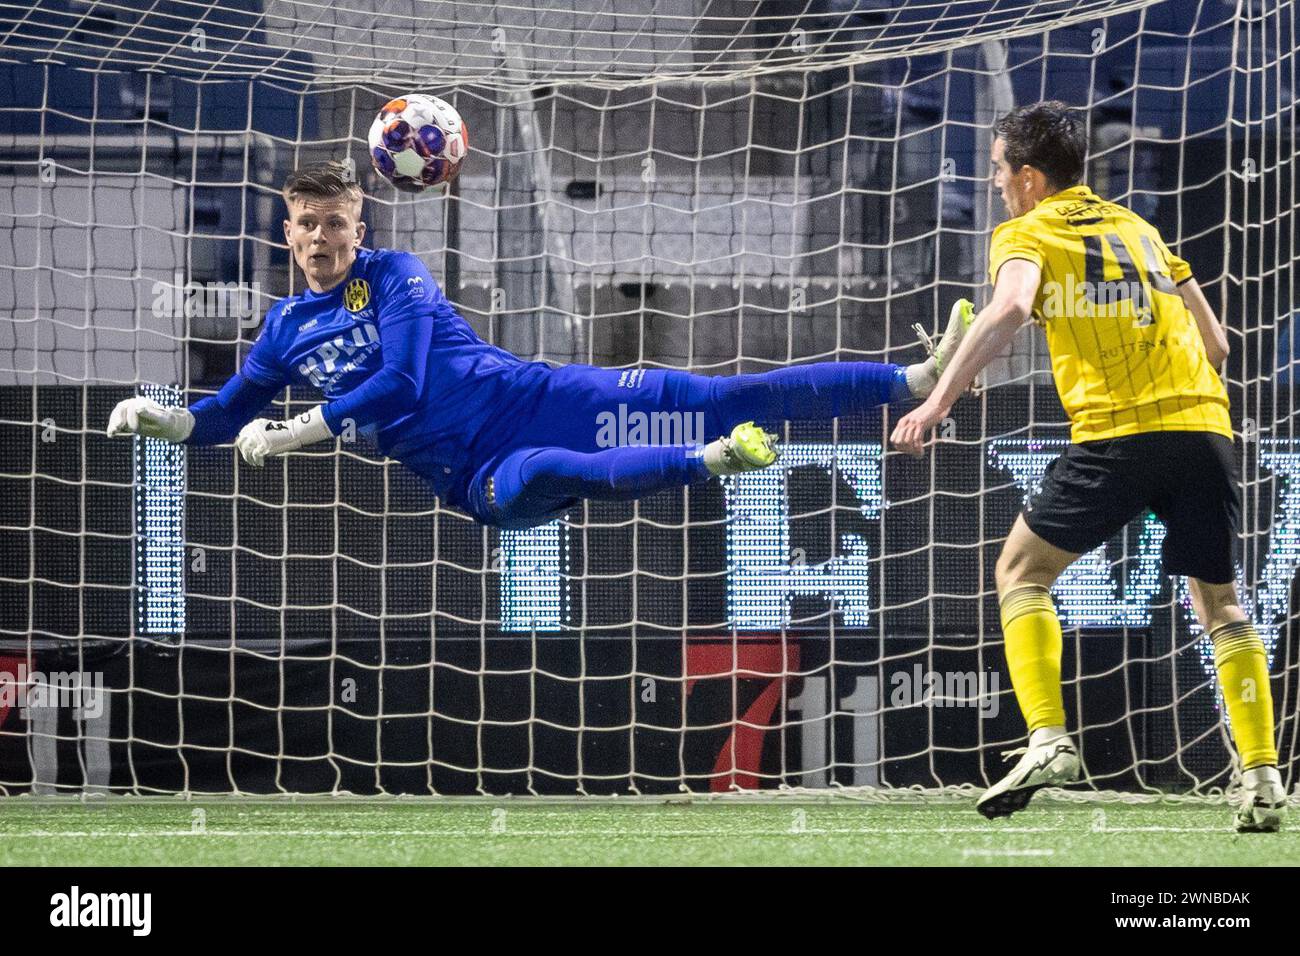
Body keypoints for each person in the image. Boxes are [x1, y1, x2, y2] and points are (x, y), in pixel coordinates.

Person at [108, 160, 972, 532]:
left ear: (358, 223)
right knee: (558, 475)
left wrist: (300, 431)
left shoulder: (398, 273)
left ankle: (913, 375)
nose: (323, 236)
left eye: (336, 221)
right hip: (473, 475)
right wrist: (171, 424)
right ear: (289, 235)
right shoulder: (286, 331)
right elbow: (227, 415)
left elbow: (403, 381)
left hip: (535, 393)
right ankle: (708, 465)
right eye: (308, 225)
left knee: (720, 392)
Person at [891, 101, 1285, 832]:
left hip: (1119, 433)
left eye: (1000, 171)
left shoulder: (1026, 231)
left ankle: (1047, 739)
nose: (997, 186)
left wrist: (940, 400)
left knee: (1020, 572)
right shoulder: (1139, 228)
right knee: (1220, 604)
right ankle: (1262, 775)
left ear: (1031, 177)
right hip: (1203, 425)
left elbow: (1008, 306)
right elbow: (1221, 347)